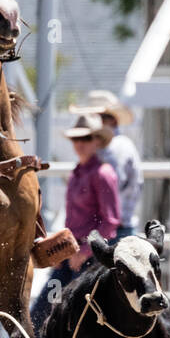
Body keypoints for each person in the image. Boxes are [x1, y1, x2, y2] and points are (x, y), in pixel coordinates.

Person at [31, 113, 121, 333]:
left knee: (79, 316)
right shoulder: (77, 173)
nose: (80, 144)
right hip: (71, 252)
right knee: (42, 311)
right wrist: (63, 250)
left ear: (97, 141)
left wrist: (85, 251)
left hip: (90, 258)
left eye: (86, 139)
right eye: (76, 139)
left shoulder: (103, 174)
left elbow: (109, 223)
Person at [70, 89, 143, 237]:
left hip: (111, 232)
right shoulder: (116, 145)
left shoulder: (114, 147)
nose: (92, 121)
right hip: (109, 230)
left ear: (112, 120)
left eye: (97, 116)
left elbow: (109, 191)